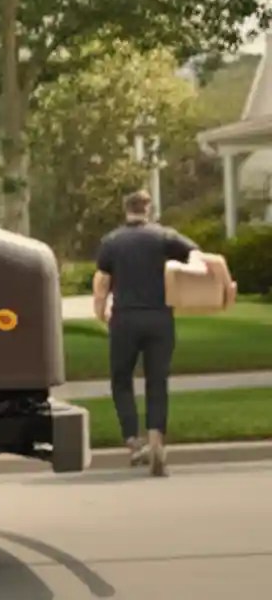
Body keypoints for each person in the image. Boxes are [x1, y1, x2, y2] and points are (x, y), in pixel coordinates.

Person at [92, 190, 204, 477]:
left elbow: (102, 282)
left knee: (121, 380)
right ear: (148, 208)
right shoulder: (164, 236)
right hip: (159, 319)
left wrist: (100, 311)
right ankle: (156, 442)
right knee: (157, 382)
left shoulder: (112, 241)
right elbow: (196, 254)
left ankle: (133, 440)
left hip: (126, 318)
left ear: (125, 209)